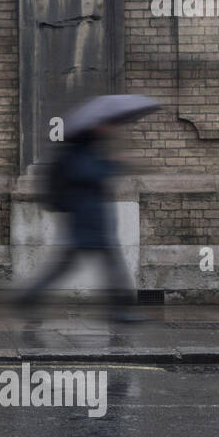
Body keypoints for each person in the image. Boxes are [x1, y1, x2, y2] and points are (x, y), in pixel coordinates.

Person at [16, 122, 141, 326]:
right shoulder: (78, 154)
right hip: (85, 222)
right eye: (101, 127)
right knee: (110, 269)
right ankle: (119, 311)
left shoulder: (86, 151)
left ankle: (29, 298)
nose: (106, 129)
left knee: (71, 268)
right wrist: (114, 163)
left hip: (91, 222)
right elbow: (90, 174)